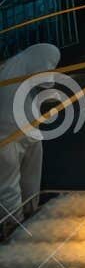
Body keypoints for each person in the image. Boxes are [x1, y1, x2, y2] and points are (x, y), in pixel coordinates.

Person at [0, 44, 63, 231]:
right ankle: (12, 228)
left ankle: (26, 218)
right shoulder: (35, 61)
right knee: (9, 184)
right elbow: (47, 83)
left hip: (28, 129)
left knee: (27, 178)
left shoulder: (16, 65)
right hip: (7, 135)